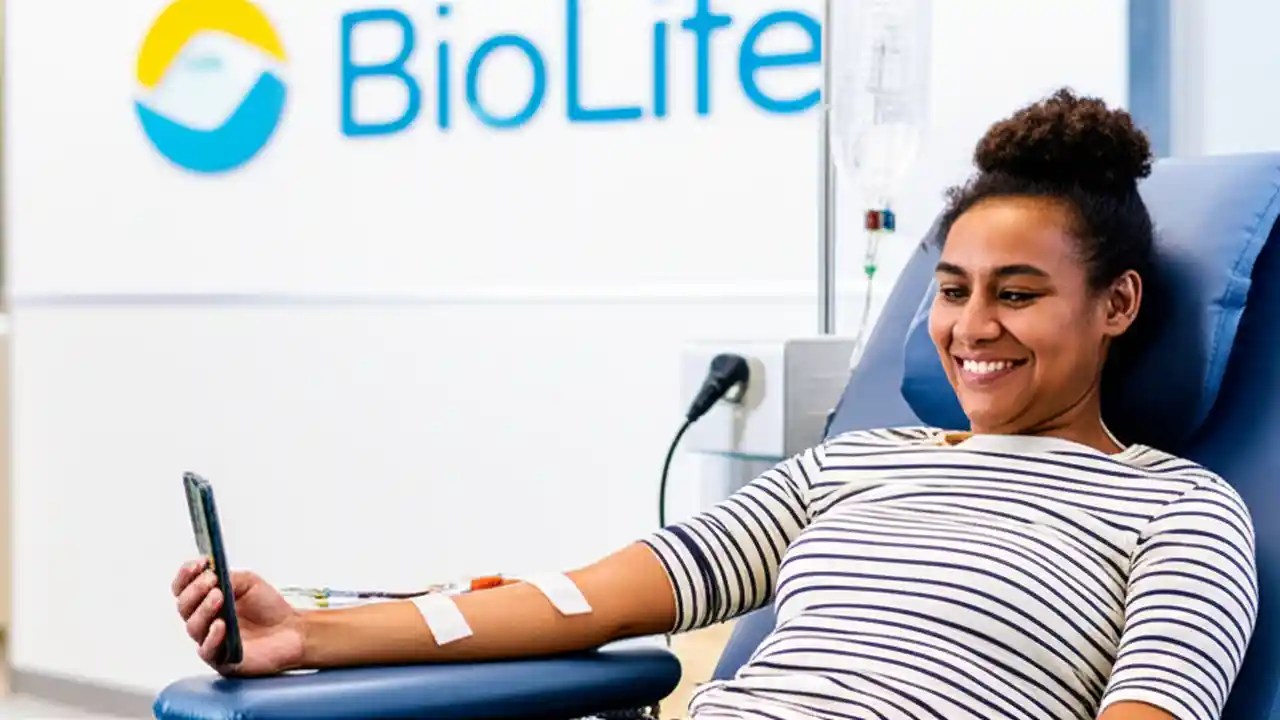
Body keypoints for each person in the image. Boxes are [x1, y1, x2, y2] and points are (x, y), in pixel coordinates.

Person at [171, 89, 1258, 720]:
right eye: (951, 291)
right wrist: (304, 635)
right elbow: (583, 602)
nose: (972, 329)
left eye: (1017, 296)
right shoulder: (852, 465)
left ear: (1116, 303)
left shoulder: (1178, 512)